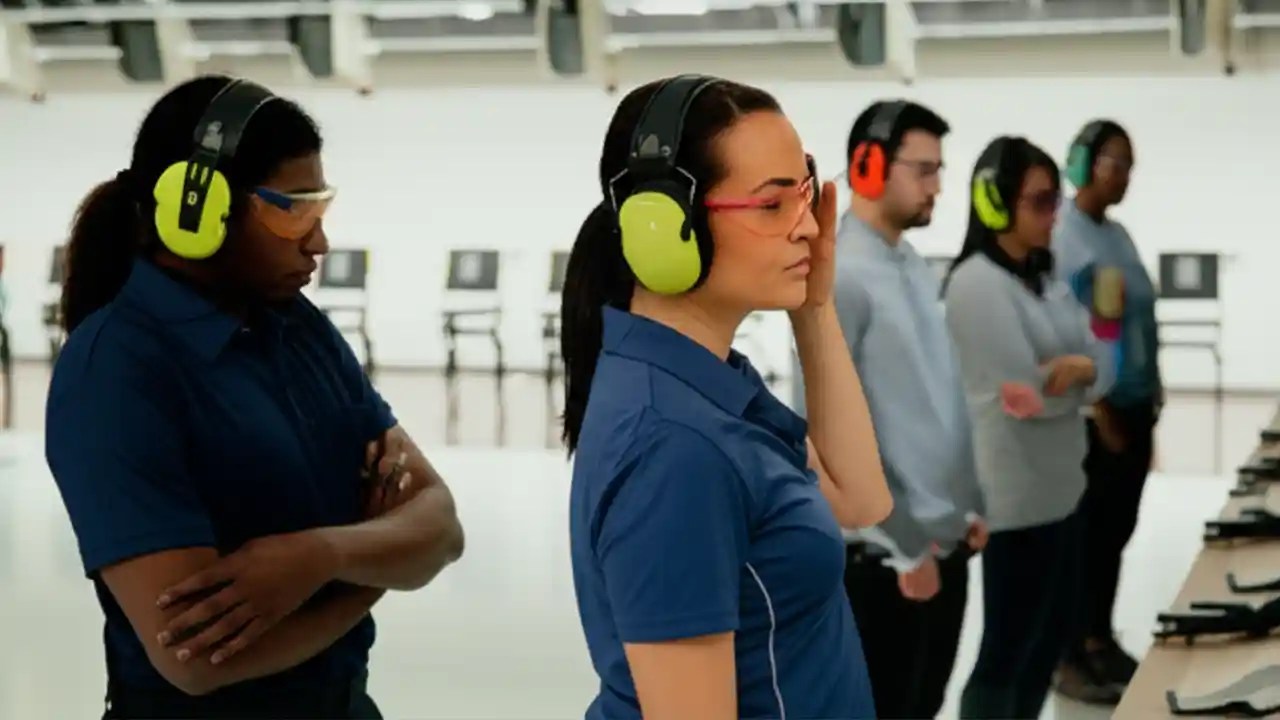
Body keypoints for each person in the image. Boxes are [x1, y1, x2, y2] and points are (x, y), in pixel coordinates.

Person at [44, 75, 465, 720]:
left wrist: (317, 557)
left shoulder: (298, 325)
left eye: (319, 209)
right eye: (292, 210)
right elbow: (196, 663)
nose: (318, 241)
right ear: (196, 209)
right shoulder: (114, 372)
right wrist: (378, 564)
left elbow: (439, 526)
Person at [561, 74, 893, 720]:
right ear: (663, 228)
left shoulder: (711, 384)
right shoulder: (673, 447)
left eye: (804, 194)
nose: (807, 228)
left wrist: (814, 306)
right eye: (773, 207)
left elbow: (861, 498)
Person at [793, 99, 987, 719]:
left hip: (940, 540)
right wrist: (904, 546)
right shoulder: (842, 277)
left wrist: (967, 502)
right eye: (923, 170)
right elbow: (830, 432)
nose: (936, 186)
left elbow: (935, 396)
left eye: (939, 170)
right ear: (869, 167)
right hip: (887, 559)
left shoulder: (907, 265)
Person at [942, 136, 1115, 720]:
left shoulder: (1046, 278)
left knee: (1043, 650)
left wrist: (1082, 371)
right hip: (1013, 504)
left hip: (1062, 493)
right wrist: (1078, 374)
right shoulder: (974, 284)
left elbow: (1101, 367)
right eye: (1040, 202)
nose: (1054, 216)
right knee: (1006, 655)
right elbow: (1027, 397)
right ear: (996, 205)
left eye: (1055, 201)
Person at [1051, 119, 1162, 704]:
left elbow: (1139, 318)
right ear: (1083, 163)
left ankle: (1098, 638)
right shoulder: (1066, 236)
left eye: (1129, 165)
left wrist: (1155, 392)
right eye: (1111, 161)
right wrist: (1100, 409)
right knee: (1088, 536)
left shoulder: (1116, 235)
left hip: (1138, 404)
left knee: (1116, 531)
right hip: (1103, 412)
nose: (1121, 176)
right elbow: (1071, 331)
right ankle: (1070, 654)